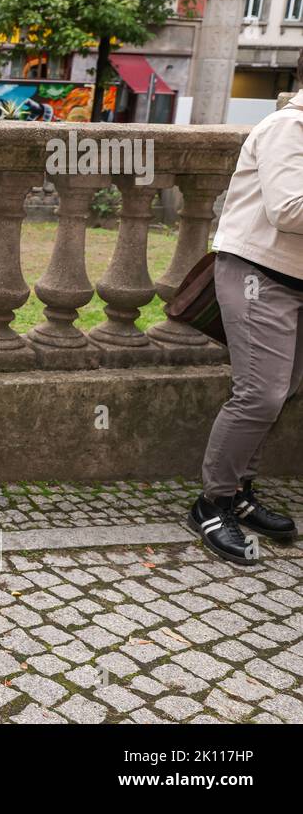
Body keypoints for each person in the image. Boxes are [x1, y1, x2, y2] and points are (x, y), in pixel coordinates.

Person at [191, 88, 303, 563]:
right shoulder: (289, 127)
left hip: (293, 278)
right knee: (261, 393)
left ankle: (239, 491)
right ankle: (211, 503)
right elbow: (288, 209)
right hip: (260, 274)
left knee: (284, 390)